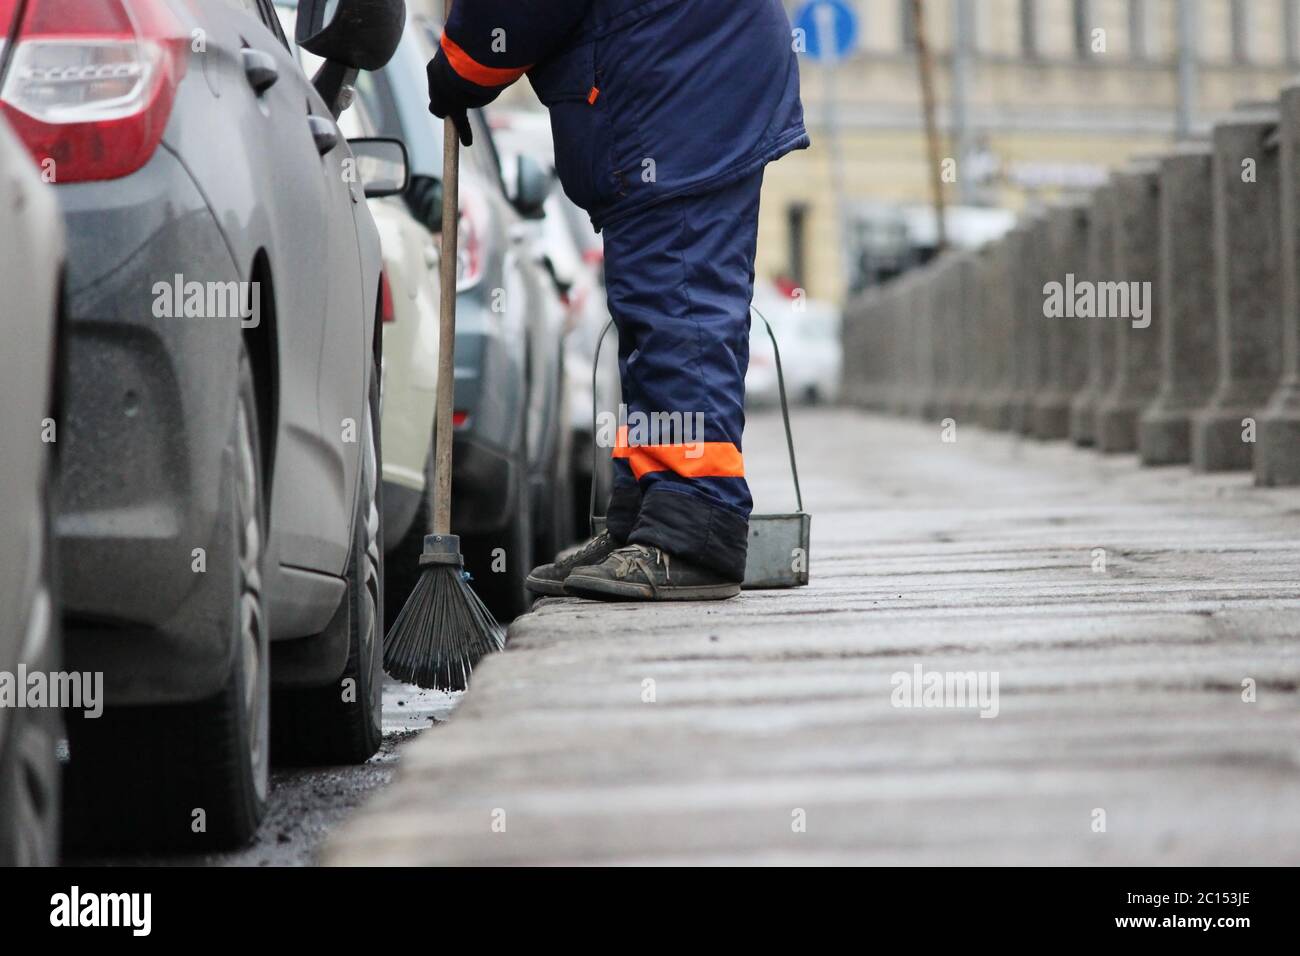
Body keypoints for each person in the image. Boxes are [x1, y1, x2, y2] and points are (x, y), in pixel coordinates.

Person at [427, 0, 808, 601]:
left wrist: (461, 62)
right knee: (653, 311)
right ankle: (647, 514)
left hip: (679, 86)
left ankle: (693, 530)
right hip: (680, 75)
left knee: (679, 306)